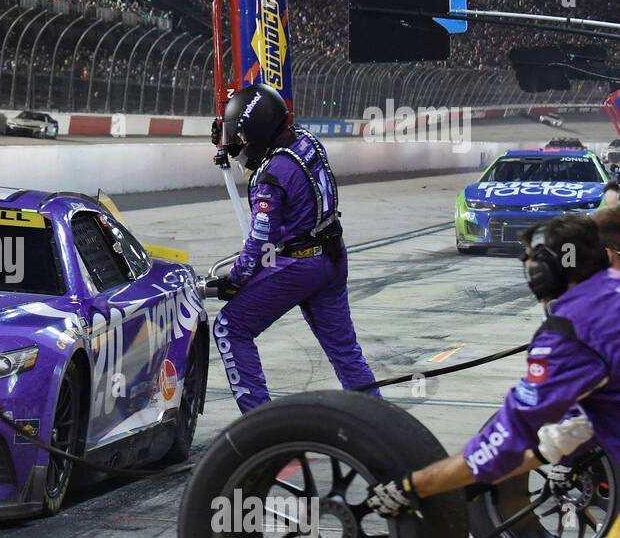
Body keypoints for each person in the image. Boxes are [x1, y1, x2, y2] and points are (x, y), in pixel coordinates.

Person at [369, 215, 620, 515]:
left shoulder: (570, 334)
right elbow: (577, 426)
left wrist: (413, 486)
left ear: (543, 274)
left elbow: (509, 436)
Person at [206, 82, 377, 412]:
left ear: (257, 134)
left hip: (300, 266)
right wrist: (229, 138)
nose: (239, 148)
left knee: (230, 328)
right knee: (345, 352)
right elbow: (273, 150)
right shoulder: (308, 141)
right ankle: (378, 423)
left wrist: (235, 280)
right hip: (333, 255)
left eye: (241, 139)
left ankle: (260, 425)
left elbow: (259, 242)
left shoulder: (269, 178)